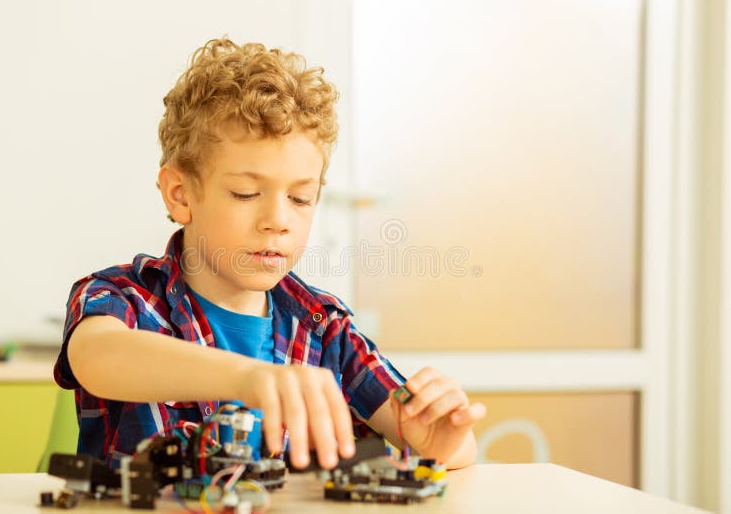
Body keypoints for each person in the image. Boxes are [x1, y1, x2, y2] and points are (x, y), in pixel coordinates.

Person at [54, 37, 486, 471]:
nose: (278, 220)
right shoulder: (121, 299)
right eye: (246, 193)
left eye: (300, 199)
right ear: (181, 195)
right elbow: (97, 357)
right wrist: (248, 378)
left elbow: (441, 445)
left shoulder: (326, 330)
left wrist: (441, 439)